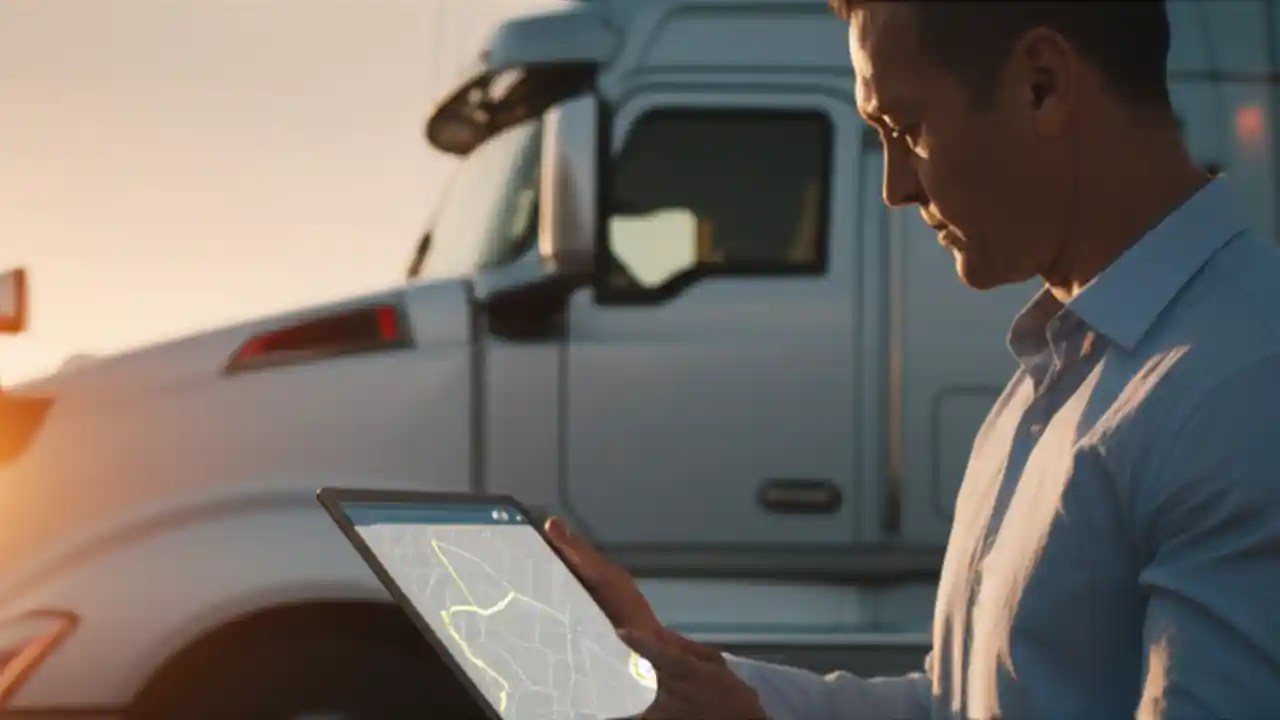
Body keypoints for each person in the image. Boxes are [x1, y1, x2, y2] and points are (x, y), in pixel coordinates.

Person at [545, 1, 1280, 718]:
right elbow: (954, 706)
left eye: (907, 127)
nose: (896, 186)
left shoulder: (1242, 387)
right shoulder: (1065, 377)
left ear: (1042, 85)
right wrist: (695, 683)